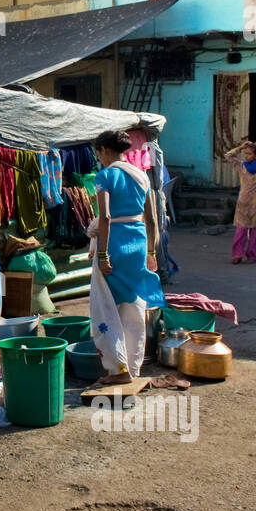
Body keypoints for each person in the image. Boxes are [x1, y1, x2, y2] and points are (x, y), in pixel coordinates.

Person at [87, 129, 165, 387]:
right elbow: (152, 219)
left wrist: (103, 254)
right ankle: (132, 366)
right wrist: (152, 252)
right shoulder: (140, 175)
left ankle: (117, 368)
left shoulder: (105, 176)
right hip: (138, 244)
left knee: (107, 307)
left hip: (115, 244)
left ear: (104, 150)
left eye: (98, 152)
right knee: (134, 306)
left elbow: (105, 217)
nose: (98, 157)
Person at [223, 139, 256, 263]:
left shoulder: (241, 166)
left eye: (249, 154)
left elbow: (228, 155)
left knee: (241, 230)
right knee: (255, 231)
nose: (246, 156)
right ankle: (251, 256)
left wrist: (240, 147)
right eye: (245, 153)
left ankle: (237, 255)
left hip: (244, 202)